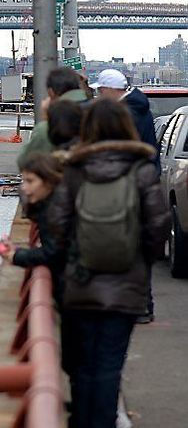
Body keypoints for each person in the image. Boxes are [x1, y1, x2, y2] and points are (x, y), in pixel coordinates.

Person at [46, 98, 168, 428]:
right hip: (126, 284)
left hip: (81, 281)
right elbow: (159, 224)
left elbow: (56, 224)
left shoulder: (74, 171)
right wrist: (140, 258)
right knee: (109, 364)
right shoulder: (142, 171)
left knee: (83, 364)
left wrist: (74, 254)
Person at [91, 68, 160, 323]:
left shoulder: (124, 115)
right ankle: (141, 305)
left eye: (100, 91)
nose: (99, 95)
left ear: (111, 90)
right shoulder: (141, 109)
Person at [0, 152, 66, 305]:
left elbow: (53, 253)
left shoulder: (56, 211)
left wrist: (15, 256)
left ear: (48, 181)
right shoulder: (57, 204)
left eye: (30, 181)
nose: (24, 188)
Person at [16, 66, 87, 169]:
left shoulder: (50, 126)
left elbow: (25, 162)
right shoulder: (100, 109)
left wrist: (46, 119)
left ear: (51, 92)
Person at [91, 69, 159, 168]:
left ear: (109, 89)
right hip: (144, 171)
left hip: (132, 172)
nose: (100, 95)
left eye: (100, 90)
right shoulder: (137, 107)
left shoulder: (124, 112)